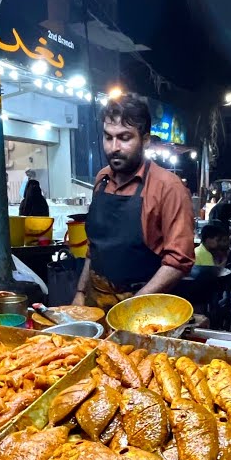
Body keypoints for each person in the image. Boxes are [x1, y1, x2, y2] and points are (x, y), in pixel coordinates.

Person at [72, 93, 195, 307]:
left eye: (124, 137)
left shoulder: (168, 187)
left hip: (142, 307)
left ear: (145, 140)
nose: (114, 147)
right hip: (95, 300)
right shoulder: (102, 179)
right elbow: (94, 249)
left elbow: (178, 262)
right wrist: (81, 293)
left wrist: (131, 308)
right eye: (108, 137)